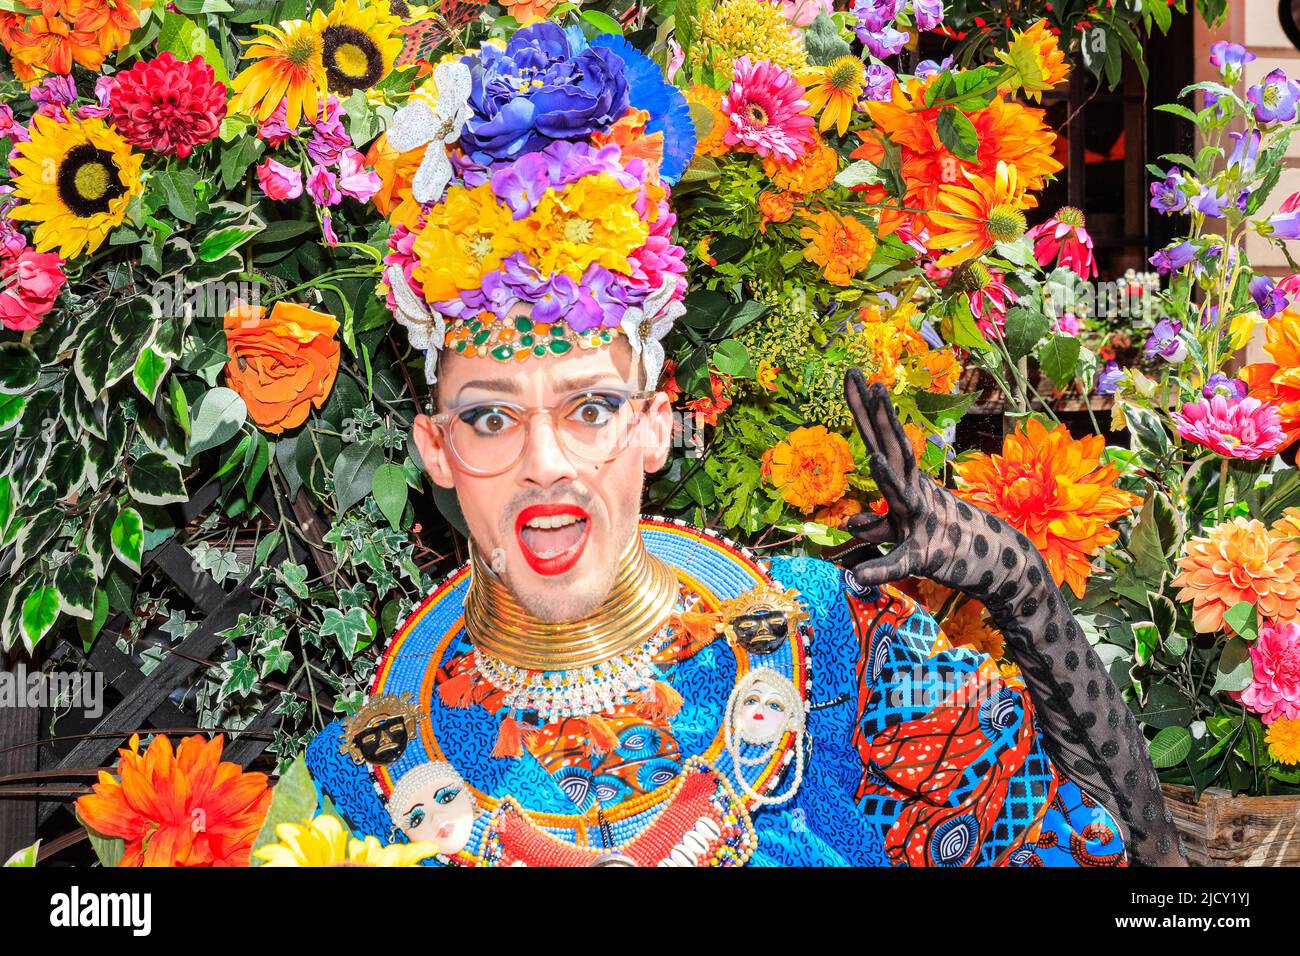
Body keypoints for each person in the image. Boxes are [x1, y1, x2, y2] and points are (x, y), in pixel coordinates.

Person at [304, 22, 1185, 866]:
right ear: (435, 448)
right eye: (491, 418)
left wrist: (1019, 586)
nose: (546, 461)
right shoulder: (365, 776)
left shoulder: (826, 643)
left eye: (591, 409)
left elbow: (1129, 861)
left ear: (654, 428)